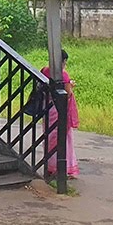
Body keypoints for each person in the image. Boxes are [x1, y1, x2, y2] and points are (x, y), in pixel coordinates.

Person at [42, 49, 80, 179]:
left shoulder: (44, 70)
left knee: (49, 137)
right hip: (59, 109)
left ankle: (50, 166)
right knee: (63, 138)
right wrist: (71, 85)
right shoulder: (63, 75)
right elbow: (67, 93)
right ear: (62, 61)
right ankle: (63, 168)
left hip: (47, 107)